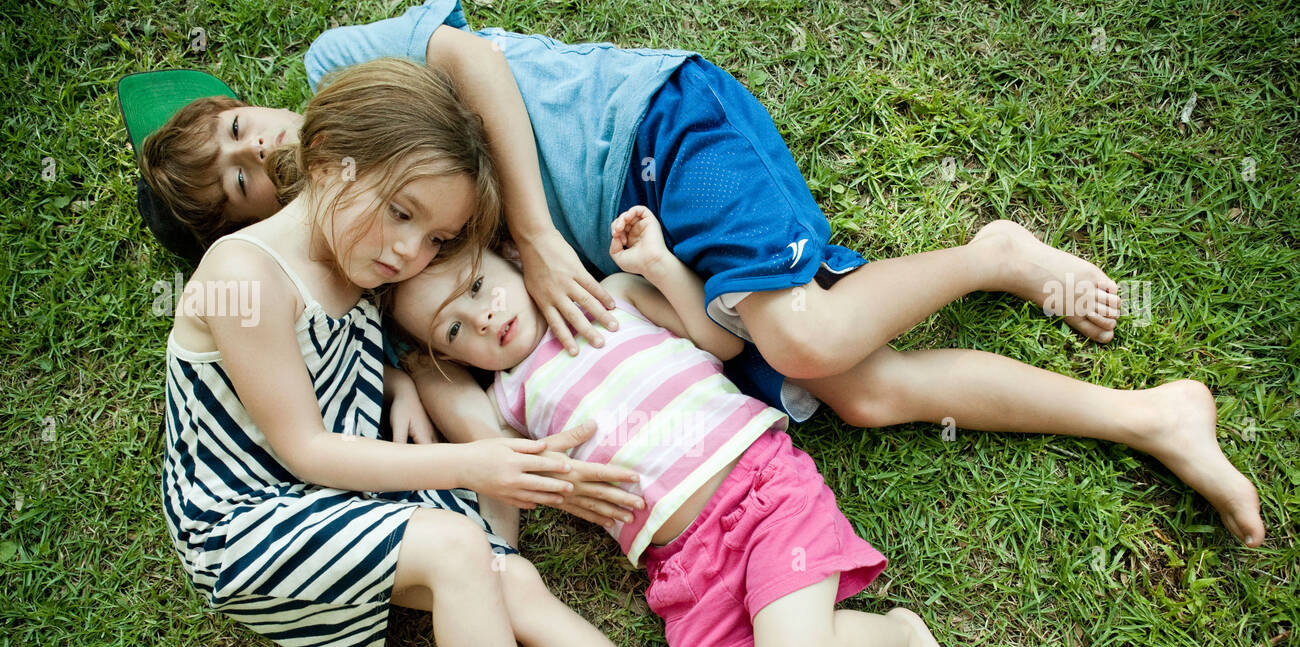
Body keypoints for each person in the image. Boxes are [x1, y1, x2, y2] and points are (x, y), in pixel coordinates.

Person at [136, 2, 1266, 547]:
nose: (259, 154)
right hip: (646, 254)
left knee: (809, 342)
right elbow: (414, 385)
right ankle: (1148, 415)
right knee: (863, 393)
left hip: (649, 133)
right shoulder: (365, 255)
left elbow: (470, 58)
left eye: (239, 128)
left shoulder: (343, 69)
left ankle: (990, 253)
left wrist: (533, 238)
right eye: (242, 183)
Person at [161, 56, 804, 647]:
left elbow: (340, 353)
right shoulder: (244, 271)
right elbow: (302, 448)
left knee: (516, 584)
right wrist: (476, 461)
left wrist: (396, 380)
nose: (406, 251)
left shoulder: (357, 244)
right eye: (401, 213)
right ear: (329, 157)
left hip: (344, 478)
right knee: (457, 552)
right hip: (248, 514)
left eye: (433, 237)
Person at [390, 205, 975, 647]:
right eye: (456, 329)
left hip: (759, 493)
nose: (487, 318)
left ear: (512, 254)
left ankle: (899, 634)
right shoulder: (506, 409)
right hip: (682, 567)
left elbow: (720, 342)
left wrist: (660, 266)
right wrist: (411, 370)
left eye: (477, 287)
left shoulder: (603, 296)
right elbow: (474, 438)